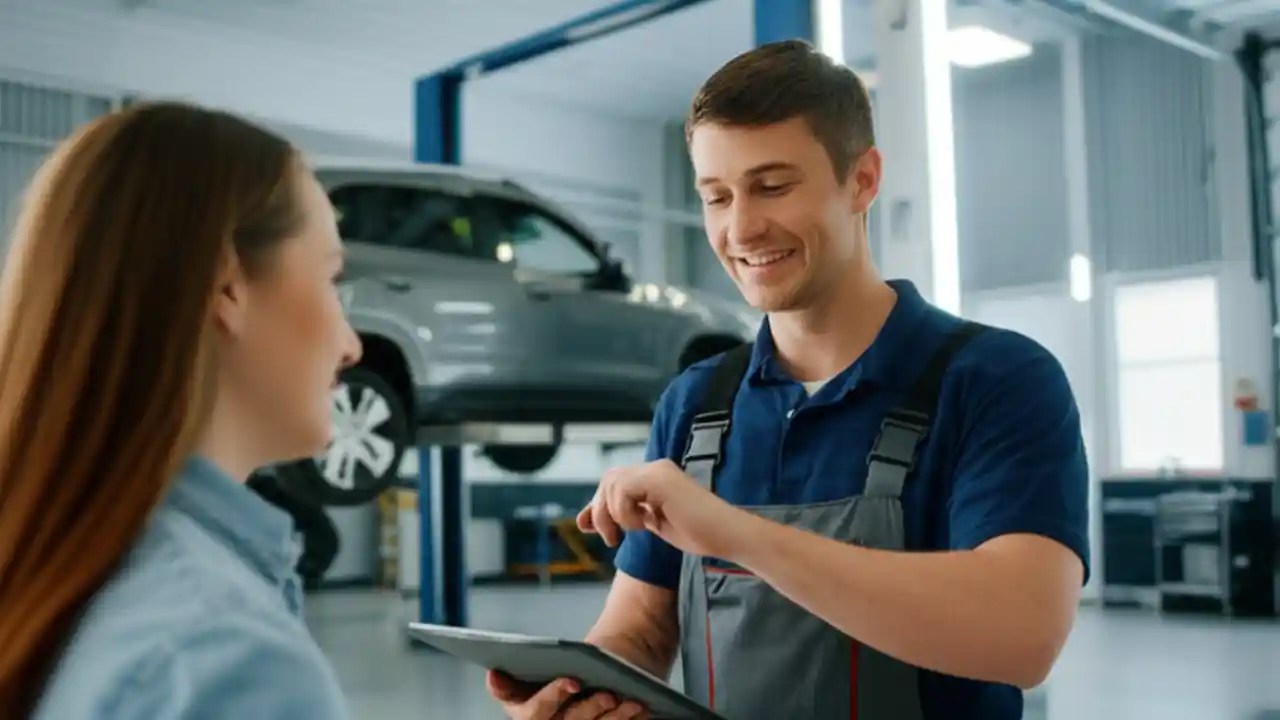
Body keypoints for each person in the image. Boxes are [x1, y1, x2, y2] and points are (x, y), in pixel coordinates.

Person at [488, 39, 1089, 720]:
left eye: (772, 186)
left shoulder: (996, 380)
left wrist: (734, 534)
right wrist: (579, 691)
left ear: (861, 180)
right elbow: (643, 629)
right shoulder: (694, 407)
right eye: (716, 197)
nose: (741, 228)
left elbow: (1021, 634)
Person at [0, 102, 362, 719]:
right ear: (227, 284)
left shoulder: (62, 572)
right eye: (331, 279)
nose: (351, 345)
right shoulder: (225, 662)